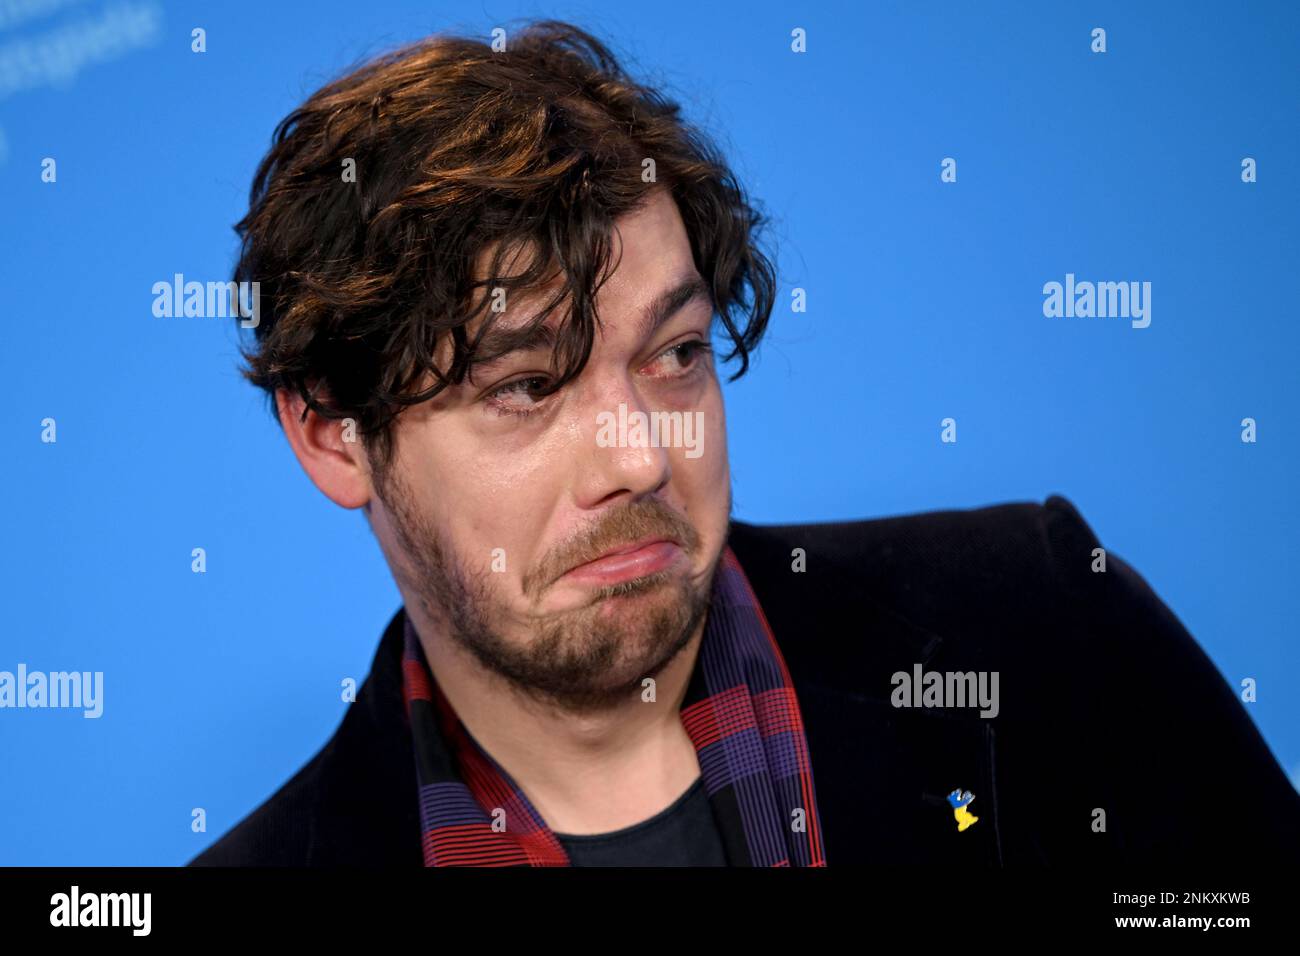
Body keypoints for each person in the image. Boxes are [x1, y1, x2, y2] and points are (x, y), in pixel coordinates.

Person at [189, 19, 1299, 867]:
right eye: (526, 386)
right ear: (332, 435)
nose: (637, 457)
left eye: (673, 353)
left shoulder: (1047, 624)